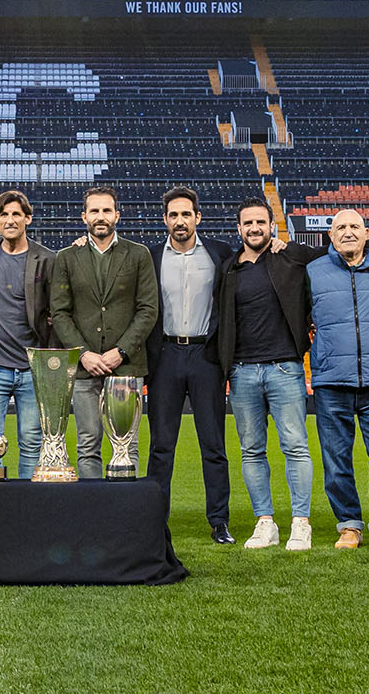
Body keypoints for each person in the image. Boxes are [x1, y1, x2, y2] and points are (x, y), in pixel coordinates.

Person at [215, 198, 369, 552]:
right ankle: (265, 522)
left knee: (296, 447)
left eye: (260, 222)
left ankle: (301, 523)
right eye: (247, 223)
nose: (254, 228)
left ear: (272, 226)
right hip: (243, 372)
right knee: (251, 451)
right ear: (238, 229)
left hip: (286, 368)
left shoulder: (294, 257)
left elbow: (347, 248)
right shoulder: (229, 268)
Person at [144, 185, 237, 544]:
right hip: (165, 355)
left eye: (186, 214)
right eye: (173, 215)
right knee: (161, 445)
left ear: (198, 217)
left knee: (213, 444)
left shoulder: (220, 253)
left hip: (205, 356)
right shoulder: (150, 256)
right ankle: (155, 520)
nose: (180, 221)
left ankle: (219, 521)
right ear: (164, 219)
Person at [306, 209, 369, 551]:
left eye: (355, 227)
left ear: (367, 233)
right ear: (330, 236)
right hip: (332, 381)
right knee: (336, 461)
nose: (348, 232)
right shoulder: (312, 271)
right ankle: (349, 524)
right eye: (341, 227)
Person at [48, 185, 159, 479]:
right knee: (87, 444)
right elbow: (59, 312)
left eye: (106, 210)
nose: (101, 216)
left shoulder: (138, 254)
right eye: (94, 210)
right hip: (84, 370)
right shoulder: (67, 257)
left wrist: (120, 351)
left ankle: (126, 514)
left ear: (117, 215)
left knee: (127, 447)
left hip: (127, 366)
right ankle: (93, 516)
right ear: (84, 216)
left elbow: (148, 309)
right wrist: (83, 354)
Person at [0, 190, 56, 479]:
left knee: (32, 443)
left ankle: (26, 512)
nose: (10, 220)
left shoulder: (45, 258)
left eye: (16, 214)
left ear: (28, 219)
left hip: (32, 368)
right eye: (3, 214)